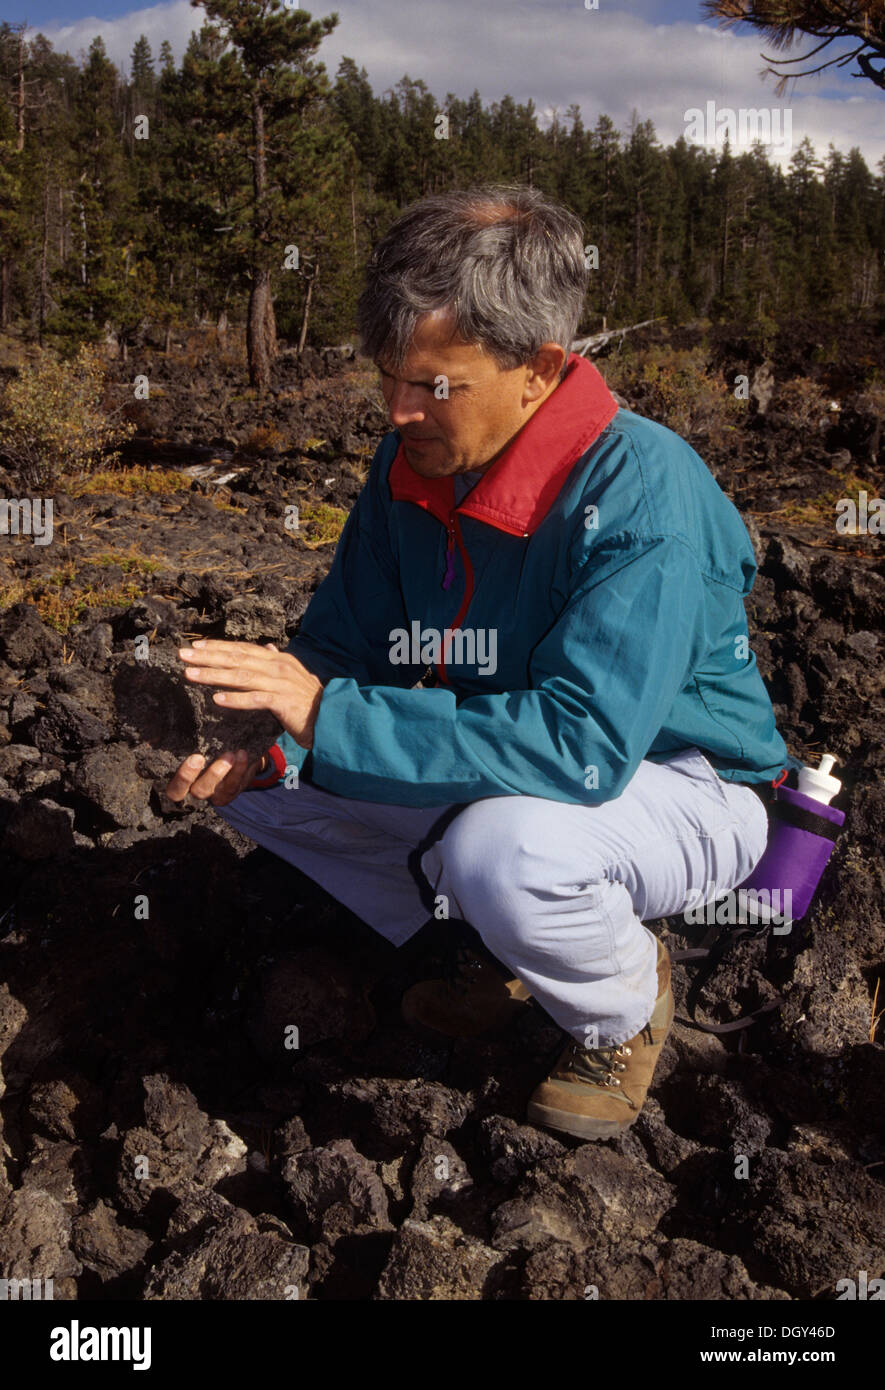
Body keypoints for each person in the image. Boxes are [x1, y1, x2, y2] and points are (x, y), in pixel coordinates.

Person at [165, 184, 797, 1141]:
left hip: (686, 782)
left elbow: (581, 746)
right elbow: (342, 640)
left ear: (540, 368)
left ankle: (617, 1009)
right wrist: (267, 730)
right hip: (518, 756)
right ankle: (488, 951)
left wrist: (329, 717)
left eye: (431, 384)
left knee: (503, 851)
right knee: (256, 781)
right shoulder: (411, 467)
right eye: (387, 377)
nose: (398, 411)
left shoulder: (642, 491)